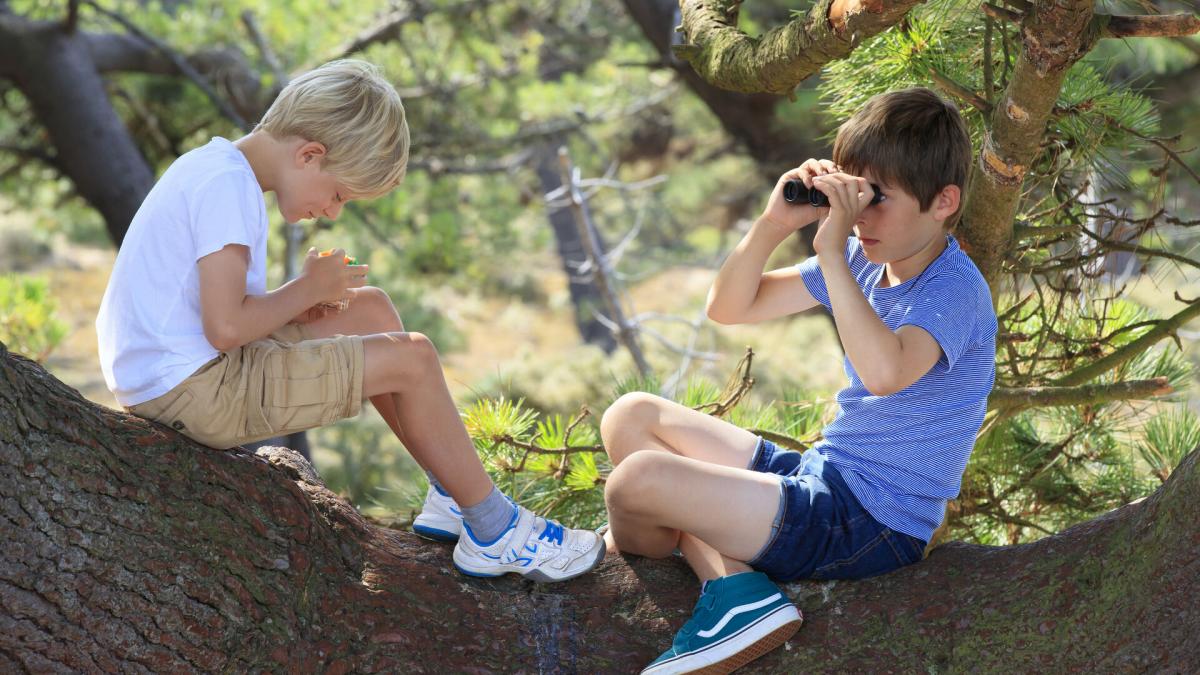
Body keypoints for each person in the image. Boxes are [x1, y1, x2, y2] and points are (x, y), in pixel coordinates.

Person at [96, 59, 604, 583]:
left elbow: (203, 315)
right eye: (338, 194)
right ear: (310, 154)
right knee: (414, 359)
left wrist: (303, 303)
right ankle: (495, 531)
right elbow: (224, 330)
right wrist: (306, 290)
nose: (333, 212)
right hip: (193, 391)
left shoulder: (216, 168)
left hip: (176, 373)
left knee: (370, 310)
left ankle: (452, 495)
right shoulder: (226, 189)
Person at [598, 87, 997, 673]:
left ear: (943, 202)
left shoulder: (953, 290)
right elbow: (730, 306)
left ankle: (706, 563)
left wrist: (833, 254)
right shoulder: (865, 256)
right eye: (850, 193)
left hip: (873, 519)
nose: (858, 217)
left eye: (876, 198)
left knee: (635, 483)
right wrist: (772, 222)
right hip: (824, 476)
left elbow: (888, 372)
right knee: (630, 416)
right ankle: (734, 588)